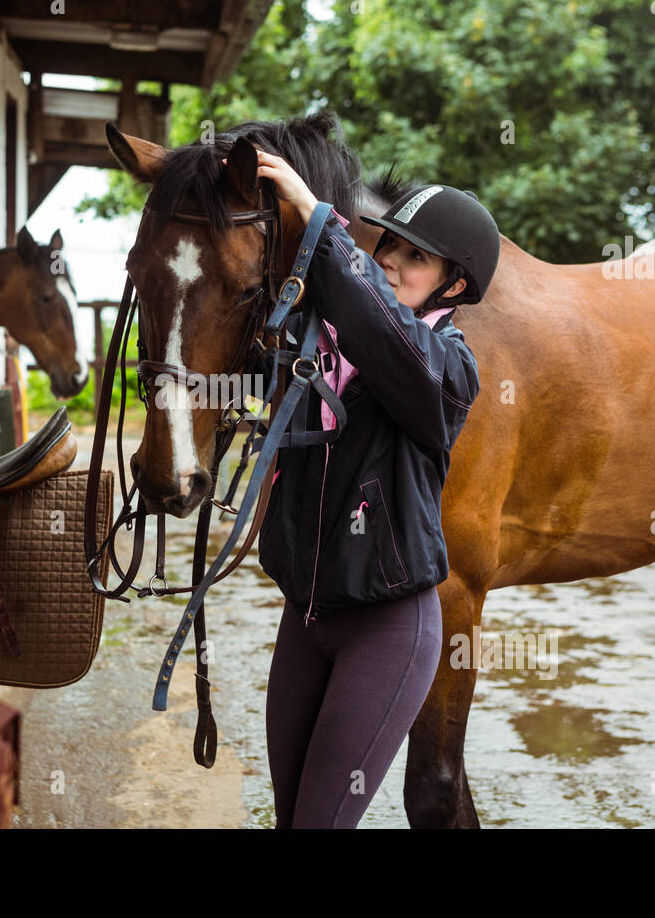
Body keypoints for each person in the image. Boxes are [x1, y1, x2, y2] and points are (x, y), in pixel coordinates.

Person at [241, 149, 500, 828]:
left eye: (415, 257)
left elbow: (386, 332)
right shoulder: (322, 346)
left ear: (453, 287)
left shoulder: (447, 367)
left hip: (387, 629)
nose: (389, 259)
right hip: (305, 617)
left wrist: (320, 217)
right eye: (388, 244)